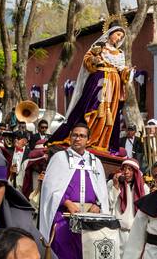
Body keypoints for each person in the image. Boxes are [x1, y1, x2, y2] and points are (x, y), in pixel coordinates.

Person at [37, 121, 109, 259]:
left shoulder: (95, 162)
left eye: (82, 136)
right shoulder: (60, 158)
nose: (78, 138)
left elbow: (102, 191)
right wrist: (66, 202)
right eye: (75, 135)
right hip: (64, 218)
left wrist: (98, 204)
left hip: (89, 220)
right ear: (70, 137)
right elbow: (51, 189)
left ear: (88, 139)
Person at [49, 24, 132, 160]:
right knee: (93, 108)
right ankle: (88, 138)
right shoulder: (98, 47)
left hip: (114, 85)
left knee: (109, 113)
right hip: (99, 81)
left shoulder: (120, 54)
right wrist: (94, 60)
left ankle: (102, 142)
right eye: (118, 34)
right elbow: (87, 61)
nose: (119, 38)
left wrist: (126, 72)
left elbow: (121, 70)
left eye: (121, 37)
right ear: (110, 33)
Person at [110, 156, 146, 259]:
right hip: (118, 231)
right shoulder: (113, 184)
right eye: (124, 168)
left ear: (135, 172)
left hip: (135, 233)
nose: (126, 172)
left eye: (130, 169)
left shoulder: (143, 188)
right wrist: (115, 188)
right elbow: (108, 204)